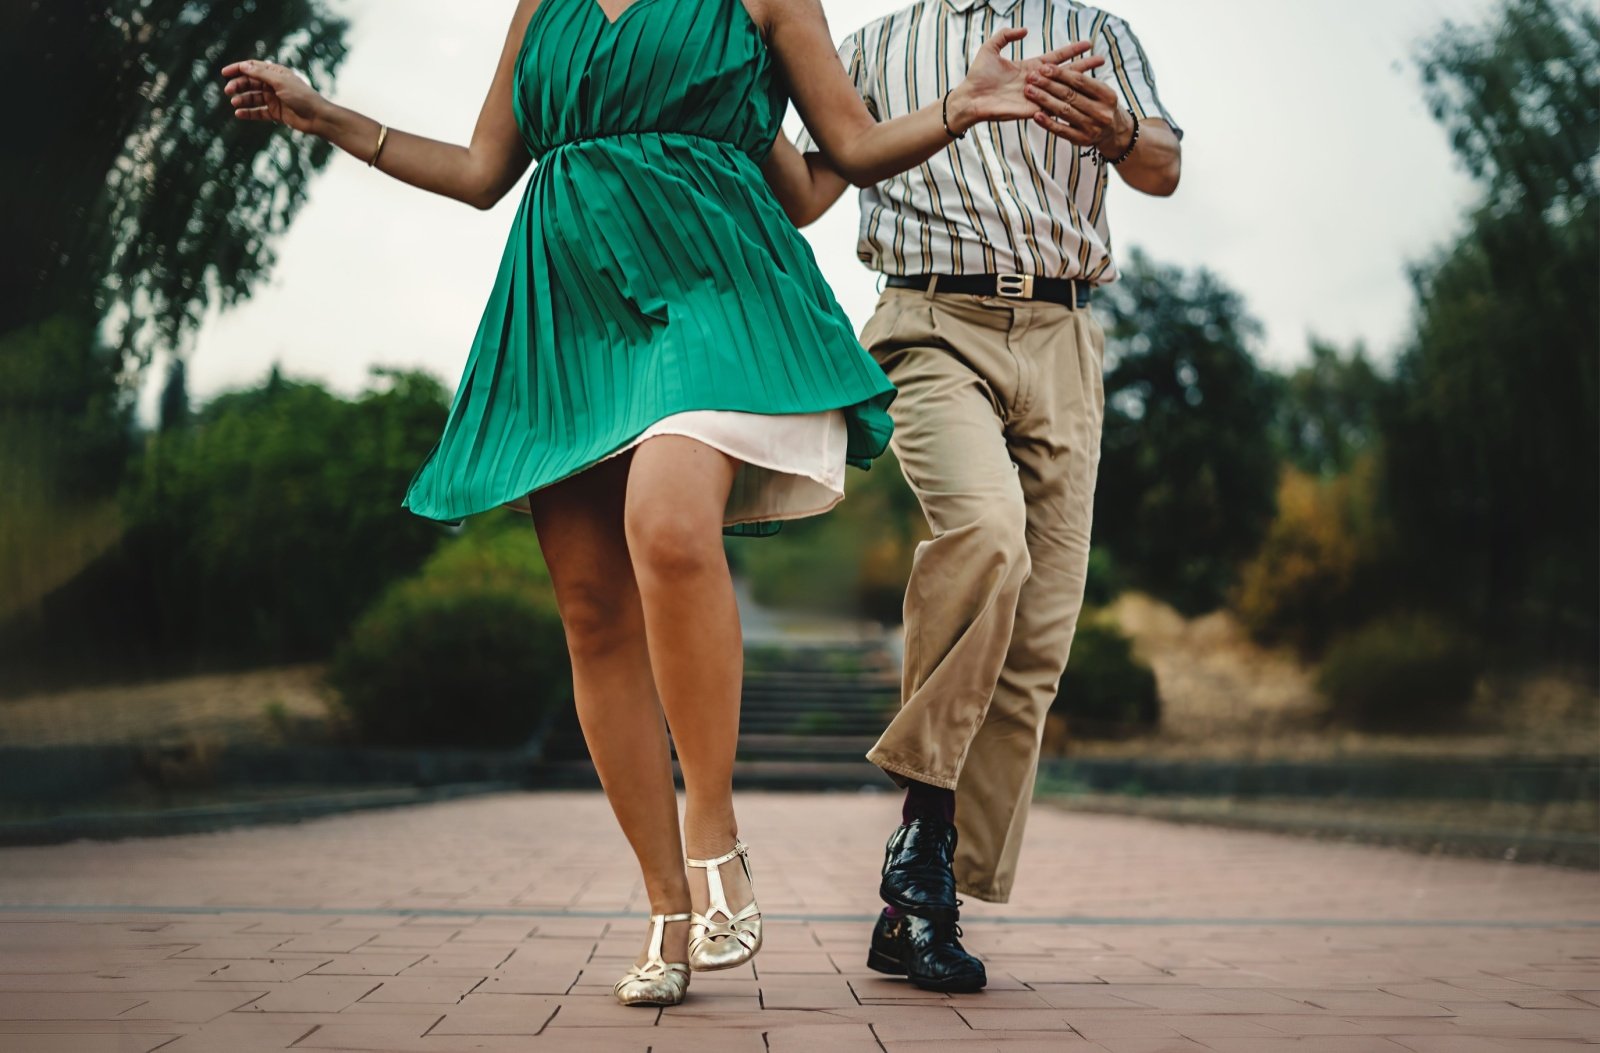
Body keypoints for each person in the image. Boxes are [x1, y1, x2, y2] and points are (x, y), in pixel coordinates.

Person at [220, 0, 1086, 1008]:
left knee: (668, 530)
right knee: (591, 611)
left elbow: (838, 152)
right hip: (567, 303)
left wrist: (958, 107)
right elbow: (477, 174)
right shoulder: (540, 6)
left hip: (710, 286)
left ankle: (712, 832)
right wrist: (321, 114)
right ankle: (667, 910)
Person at [762, 0, 1183, 993]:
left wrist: (1119, 130)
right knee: (987, 534)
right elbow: (811, 194)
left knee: (1037, 634)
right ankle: (924, 851)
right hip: (929, 320)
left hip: (1065, 331)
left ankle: (918, 888)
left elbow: (1161, 164)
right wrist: (744, 110)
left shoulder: (1095, 31)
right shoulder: (867, 48)